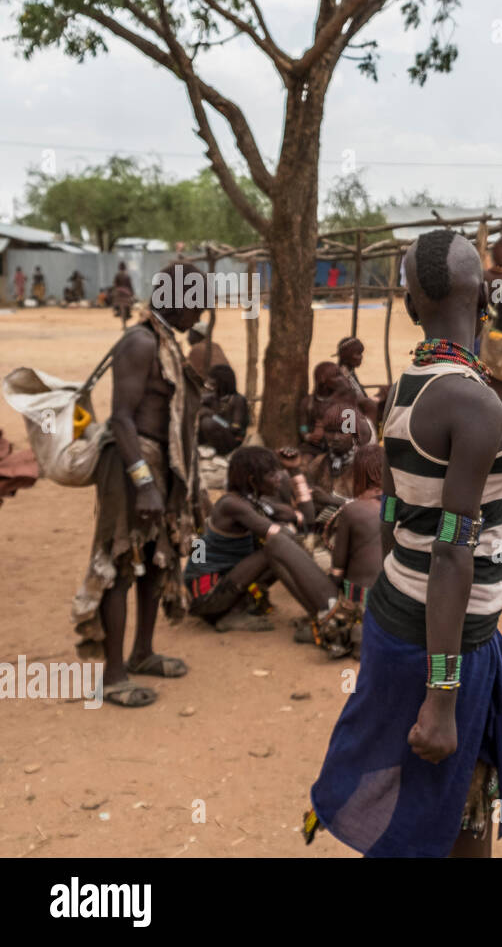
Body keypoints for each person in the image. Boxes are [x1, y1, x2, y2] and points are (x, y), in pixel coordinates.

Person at [308, 229, 502, 858]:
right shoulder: (471, 403)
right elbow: (452, 551)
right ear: (487, 298)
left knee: (448, 799)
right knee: (455, 807)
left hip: (404, 614)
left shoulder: (408, 384)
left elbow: (392, 509)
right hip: (445, 638)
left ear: (411, 305)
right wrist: (442, 698)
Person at [70, 261, 208, 707]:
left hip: (162, 468)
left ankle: (143, 652)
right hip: (134, 467)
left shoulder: (166, 342)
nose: (200, 314)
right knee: (121, 564)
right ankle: (113, 675)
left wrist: (178, 483)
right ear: (179, 299)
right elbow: (121, 418)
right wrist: (143, 481)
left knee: (158, 558)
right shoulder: (141, 341)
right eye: (197, 303)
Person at [185, 446, 344, 634]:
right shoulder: (232, 505)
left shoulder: (255, 502)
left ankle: (317, 613)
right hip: (206, 596)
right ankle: (321, 613)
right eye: (272, 474)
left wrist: (294, 470)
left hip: (224, 584)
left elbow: (307, 520)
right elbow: (283, 539)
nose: (278, 478)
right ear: (253, 481)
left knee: (279, 548)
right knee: (275, 546)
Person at [318, 443, 385, 657]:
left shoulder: (352, 510)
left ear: (358, 475)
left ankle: (354, 633)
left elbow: (338, 566)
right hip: (393, 597)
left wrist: (331, 587)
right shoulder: (402, 507)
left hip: (359, 597)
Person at [298, 361, 351, 458]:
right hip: (313, 448)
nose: (340, 380)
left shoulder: (344, 403)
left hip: (339, 450)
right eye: (336, 377)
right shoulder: (308, 402)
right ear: (322, 380)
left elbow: (349, 432)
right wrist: (307, 436)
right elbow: (303, 426)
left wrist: (327, 436)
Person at [197, 364, 248, 455]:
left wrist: (213, 415)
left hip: (231, 441)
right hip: (212, 439)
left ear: (223, 383)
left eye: (213, 383)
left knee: (207, 422)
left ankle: (221, 453)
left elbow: (234, 428)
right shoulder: (211, 397)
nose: (209, 386)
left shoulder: (237, 400)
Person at [334, 336, 379, 422]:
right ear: (347, 356)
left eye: (361, 353)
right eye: (358, 354)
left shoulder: (350, 373)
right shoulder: (340, 376)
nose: (361, 357)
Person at [112, 262, 135, 328]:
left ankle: (116, 310)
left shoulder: (117, 275)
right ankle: (129, 313)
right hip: (126, 292)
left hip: (119, 292)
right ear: (125, 268)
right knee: (130, 303)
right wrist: (132, 293)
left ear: (119, 268)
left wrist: (115, 291)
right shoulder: (127, 276)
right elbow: (130, 285)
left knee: (115, 301)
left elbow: (115, 285)